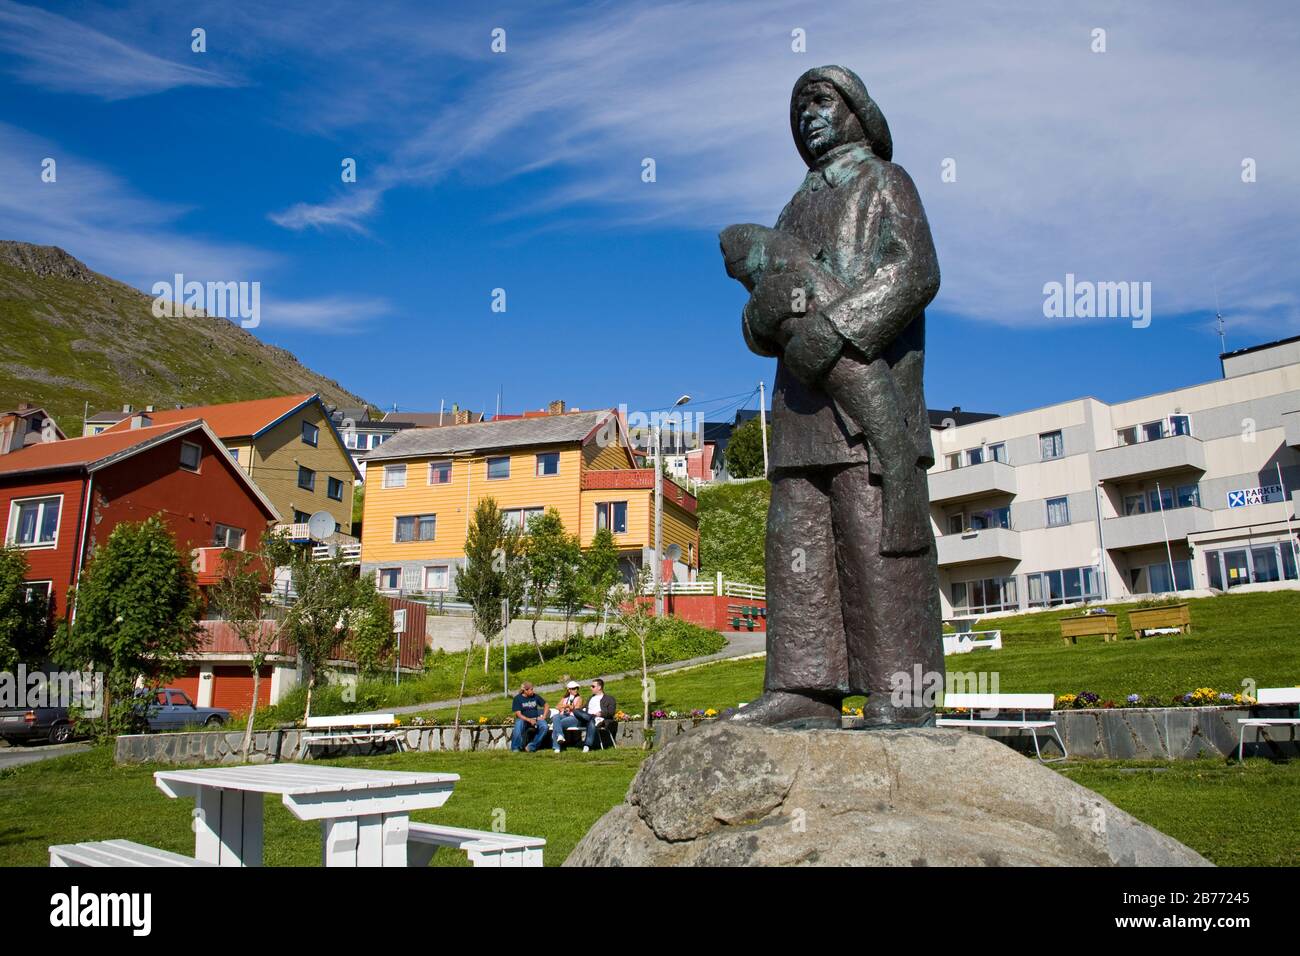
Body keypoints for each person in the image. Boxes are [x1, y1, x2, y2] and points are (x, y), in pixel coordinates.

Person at [717, 65, 943, 730]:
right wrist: (764, 321)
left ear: (857, 110)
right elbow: (761, 308)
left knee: (875, 538)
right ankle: (803, 688)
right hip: (798, 411)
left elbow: (915, 272)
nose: (808, 116)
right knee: (798, 544)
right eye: (799, 107)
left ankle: (901, 691)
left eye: (821, 101)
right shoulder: (794, 206)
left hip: (867, 410)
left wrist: (833, 330)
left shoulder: (885, 182)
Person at [568, 678, 617, 752]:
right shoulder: (591, 698)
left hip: (599, 718)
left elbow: (611, 712)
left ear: (599, 687)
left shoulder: (609, 699)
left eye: (593, 686)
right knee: (576, 711)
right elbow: (584, 708)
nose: (591, 688)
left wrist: (601, 713)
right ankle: (593, 718)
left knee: (591, 721)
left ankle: (587, 746)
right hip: (588, 718)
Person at [510, 682, 549, 752]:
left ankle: (531, 746)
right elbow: (518, 714)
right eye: (531, 689)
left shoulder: (535, 696)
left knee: (544, 726)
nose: (533, 691)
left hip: (536, 719)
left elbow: (546, 705)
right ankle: (516, 747)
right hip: (523, 720)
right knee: (518, 724)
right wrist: (529, 720)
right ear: (525, 690)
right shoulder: (517, 698)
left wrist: (544, 716)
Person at [548, 680, 584, 752]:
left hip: (574, 717)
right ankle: (560, 736)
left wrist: (567, 706)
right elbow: (557, 706)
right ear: (569, 690)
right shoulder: (565, 698)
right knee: (556, 717)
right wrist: (566, 706)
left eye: (577, 688)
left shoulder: (579, 698)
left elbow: (577, 708)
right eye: (573, 688)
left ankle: (557, 747)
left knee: (557, 723)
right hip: (564, 715)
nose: (576, 690)